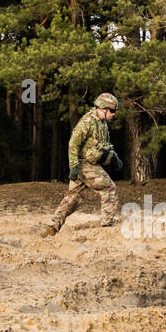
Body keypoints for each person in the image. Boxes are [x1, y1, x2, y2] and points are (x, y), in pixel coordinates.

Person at [42, 92, 123, 237]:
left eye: (114, 111)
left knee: (74, 198)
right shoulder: (88, 121)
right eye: (111, 110)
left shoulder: (102, 124)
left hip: (88, 164)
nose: (113, 114)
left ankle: (51, 229)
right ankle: (107, 224)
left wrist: (114, 157)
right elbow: (73, 143)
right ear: (102, 108)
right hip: (84, 165)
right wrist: (73, 166)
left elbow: (104, 145)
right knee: (110, 188)